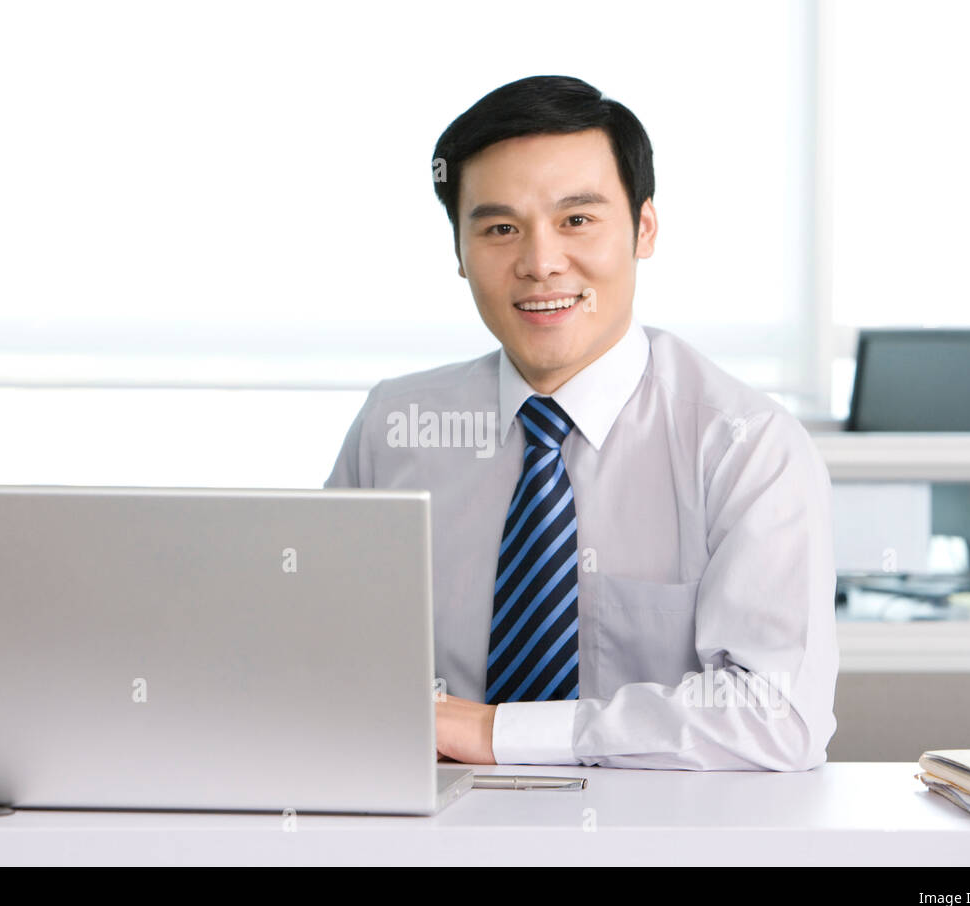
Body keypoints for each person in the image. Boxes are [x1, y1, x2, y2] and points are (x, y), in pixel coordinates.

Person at [324, 75, 837, 771]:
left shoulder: (745, 445)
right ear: (458, 251)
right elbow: (321, 658)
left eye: (577, 220)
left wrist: (498, 734)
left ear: (644, 229)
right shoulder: (396, 428)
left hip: (665, 837)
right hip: (431, 830)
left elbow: (778, 716)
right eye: (500, 229)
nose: (540, 263)